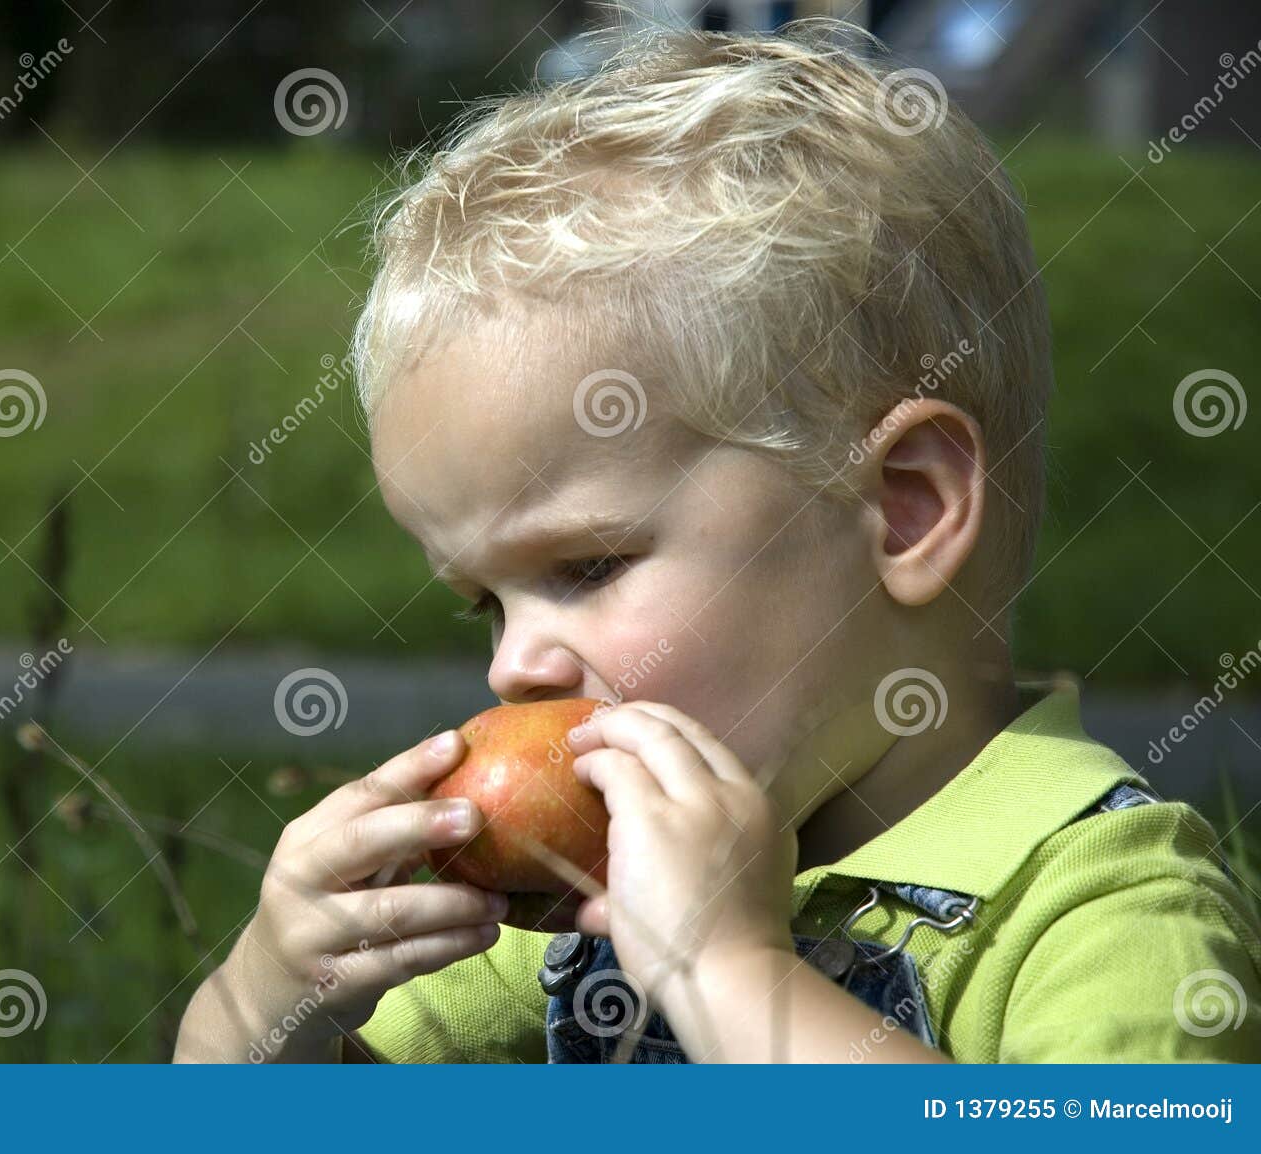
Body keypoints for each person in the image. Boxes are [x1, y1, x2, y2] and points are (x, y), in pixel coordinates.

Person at [174, 18, 1261, 1063]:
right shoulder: (571, 907)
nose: (514, 665)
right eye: (485, 602)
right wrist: (268, 1006)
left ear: (904, 506)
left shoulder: (1100, 906)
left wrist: (728, 969)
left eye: (588, 565)